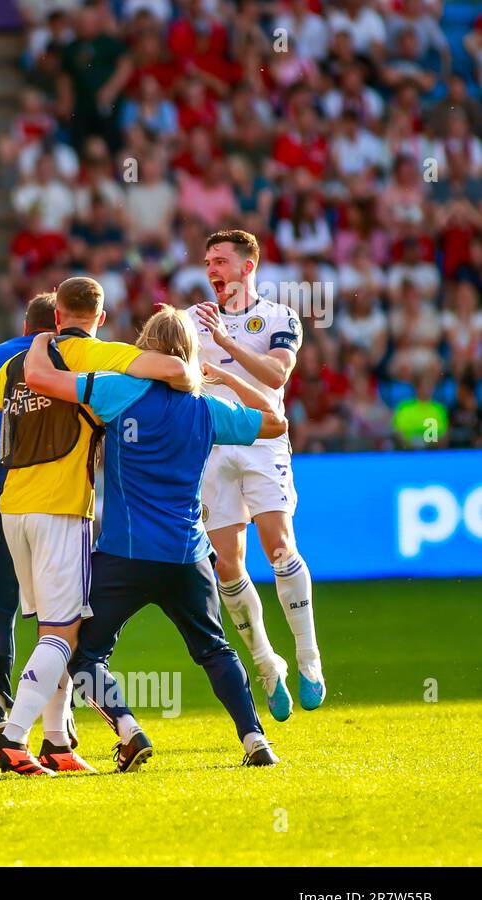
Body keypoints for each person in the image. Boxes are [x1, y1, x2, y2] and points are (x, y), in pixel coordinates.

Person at [18, 306, 286, 769]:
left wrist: (42, 340)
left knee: (84, 654)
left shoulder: (118, 390)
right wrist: (222, 380)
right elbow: (275, 421)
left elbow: (40, 380)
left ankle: (129, 729)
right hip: (189, 555)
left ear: (146, 346)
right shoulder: (208, 408)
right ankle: (255, 741)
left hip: (126, 554)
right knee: (215, 650)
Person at [0, 277, 194, 771]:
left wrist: (35, 360)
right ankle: (12, 739)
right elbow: (173, 368)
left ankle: (58, 742)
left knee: (57, 628)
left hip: (11, 507)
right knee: (62, 634)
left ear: (56, 315)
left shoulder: (18, 363)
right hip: (62, 509)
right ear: (100, 318)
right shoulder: (99, 356)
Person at [194, 228, 326, 718]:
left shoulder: (278, 316)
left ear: (248, 267)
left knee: (279, 548)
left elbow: (275, 376)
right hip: (210, 448)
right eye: (208, 262)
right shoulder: (191, 321)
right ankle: (268, 665)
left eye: (222, 261)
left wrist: (225, 345)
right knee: (226, 564)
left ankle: (309, 658)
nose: (213, 270)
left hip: (263, 440)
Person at [0, 292, 56, 749]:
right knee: (58, 612)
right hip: (43, 488)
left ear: (25, 325)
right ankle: (57, 724)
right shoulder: (65, 357)